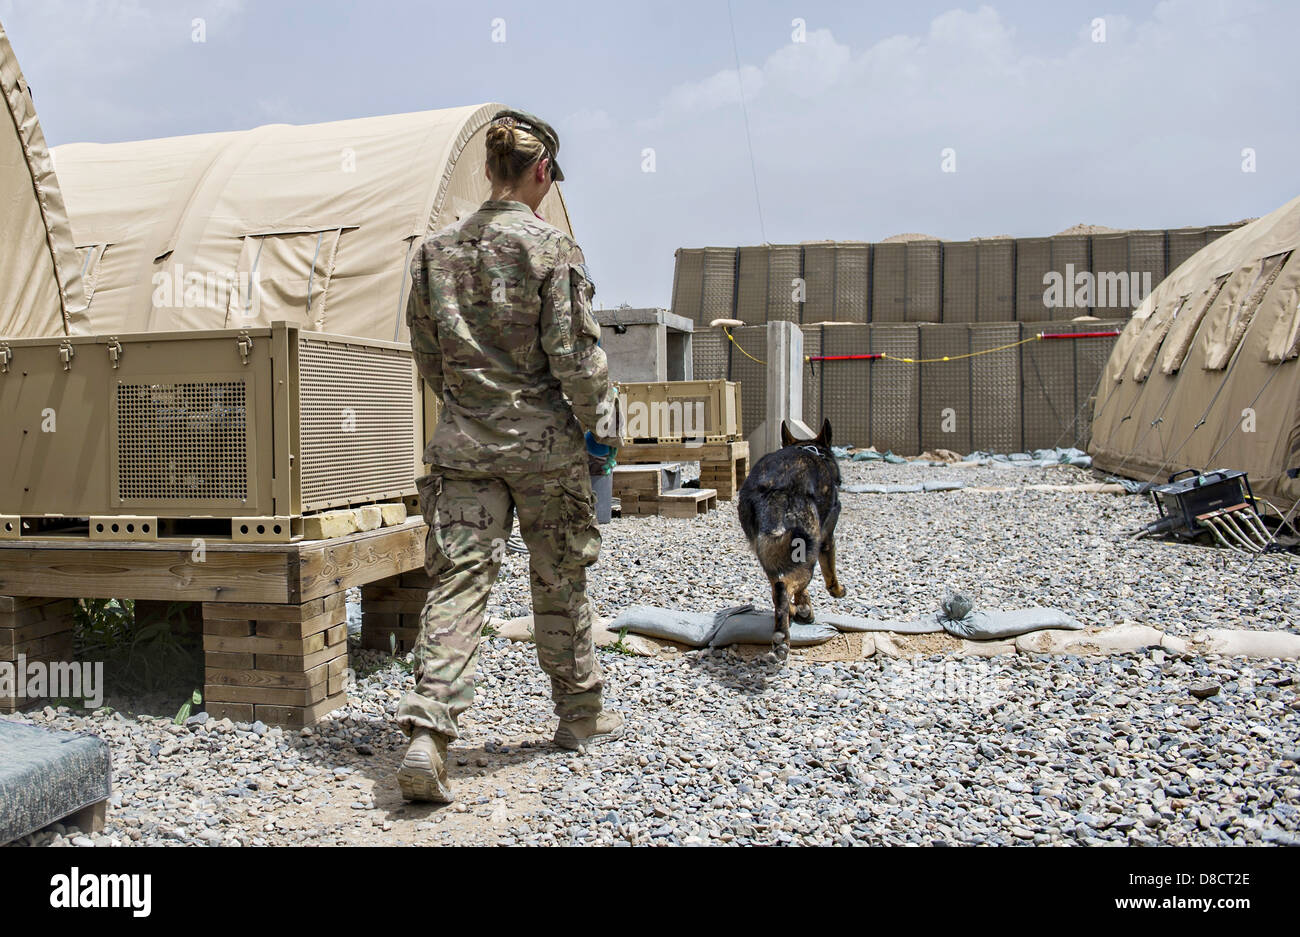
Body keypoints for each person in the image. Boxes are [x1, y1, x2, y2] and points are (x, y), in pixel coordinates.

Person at [395, 108, 624, 803]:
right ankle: (579, 716)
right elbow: (575, 357)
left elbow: (426, 350)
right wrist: (601, 426)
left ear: (488, 170)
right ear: (542, 172)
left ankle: (428, 735)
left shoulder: (434, 253)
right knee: (560, 579)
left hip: (465, 445)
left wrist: (468, 403)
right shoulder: (553, 252)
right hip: (545, 451)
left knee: (458, 582)